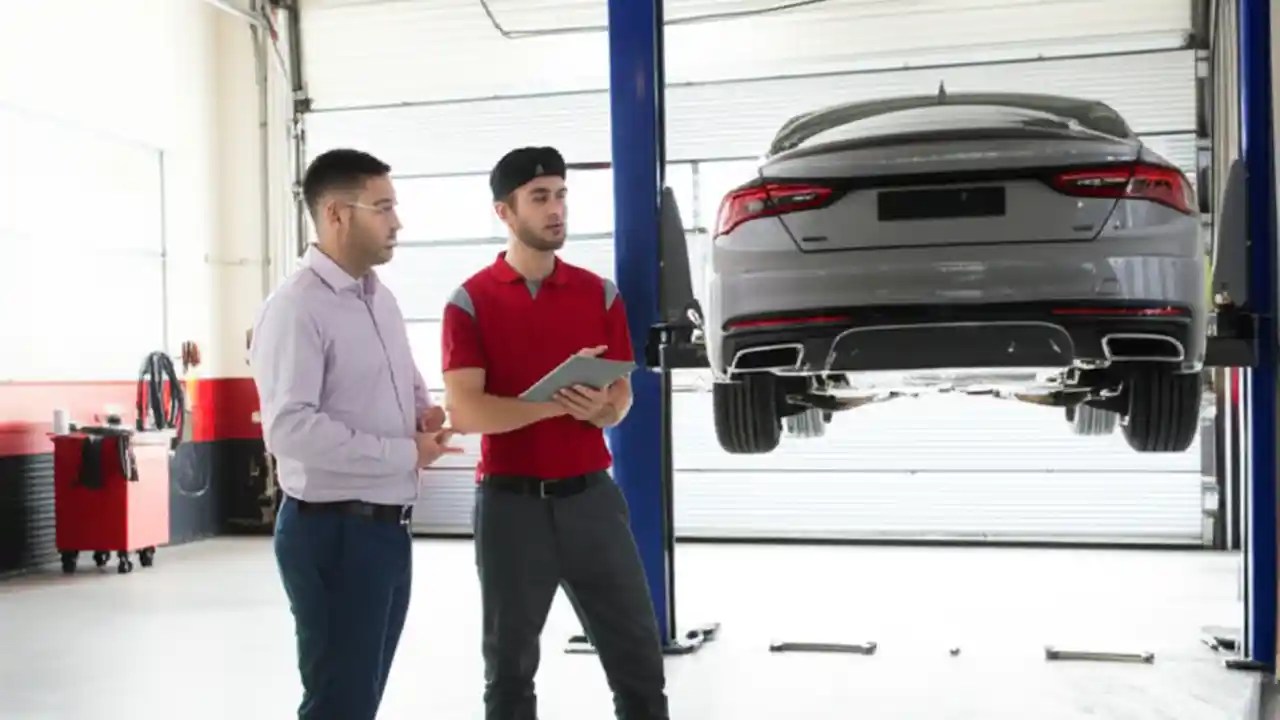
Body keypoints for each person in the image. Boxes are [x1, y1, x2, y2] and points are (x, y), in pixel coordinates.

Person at [440, 146, 670, 720]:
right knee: (509, 673)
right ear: (504, 211)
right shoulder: (470, 301)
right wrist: (551, 406)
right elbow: (465, 412)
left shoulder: (601, 294)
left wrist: (601, 410)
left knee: (640, 666)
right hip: (509, 508)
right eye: (539, 197)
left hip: (593, 501)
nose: (556, 209)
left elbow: (620, 398)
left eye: (561, 195)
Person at [249, 147, 460, 720]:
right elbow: (290, 429)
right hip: (333, 533)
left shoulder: (378, 298)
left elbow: (403, 381)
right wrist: (403, 453)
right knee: (339, 703)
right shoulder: (296, 308)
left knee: (358, 699)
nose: (397, 222)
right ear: (337, 214)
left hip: (385, 530)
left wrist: (423, 414)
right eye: (383, 207)